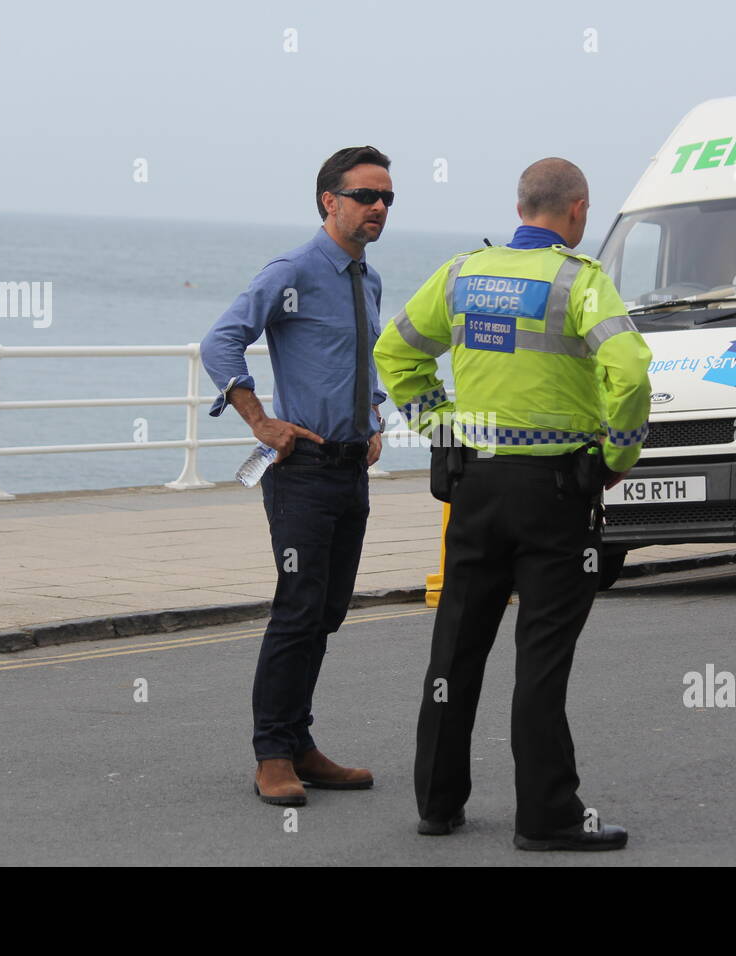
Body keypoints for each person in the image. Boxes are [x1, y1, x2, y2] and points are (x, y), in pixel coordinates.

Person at [373, 157, 653, 850]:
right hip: (556, 491)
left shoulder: (462, 274)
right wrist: (615, 456)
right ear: (578, 211)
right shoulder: (580, 281)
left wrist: (441, 430)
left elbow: (396, 352)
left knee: (457, 647)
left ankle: (438, 804)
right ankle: (547, 817)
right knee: (542, 655)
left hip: (476, 488)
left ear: (521, 204)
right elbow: (631, 370)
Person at [200, 146, 393, 806]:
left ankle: (302, 743)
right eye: (366, 195)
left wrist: (374, 416)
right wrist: (259, 420)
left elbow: (359, 360)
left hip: (349, 472)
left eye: (387, 198)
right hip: (301, 471)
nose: (378, 208)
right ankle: (273, 755)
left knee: (327, 611)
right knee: (298, 608)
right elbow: (220, 341)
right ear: (328, 201)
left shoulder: (366, 278)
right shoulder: (295, 270)